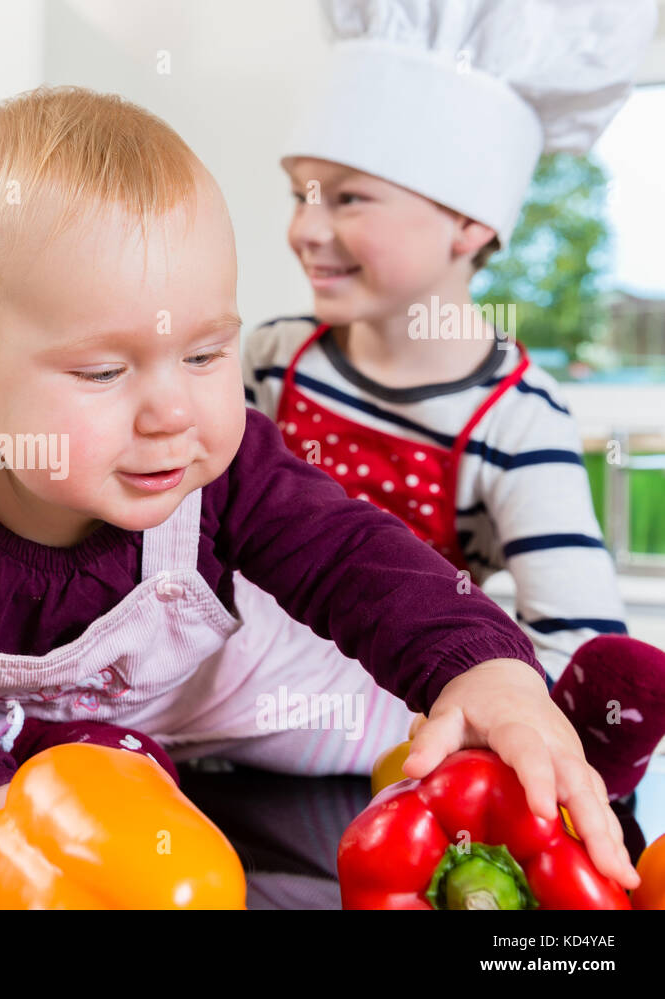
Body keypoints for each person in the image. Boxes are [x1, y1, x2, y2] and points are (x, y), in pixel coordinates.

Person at [0, 85, 638, 890]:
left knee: (410, 727)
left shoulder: (228, 466)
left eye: (205, 355)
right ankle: (83, 761)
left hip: (221, 697)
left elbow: (352, 555)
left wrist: (483, 672)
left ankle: (564, 732)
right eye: (102, 370)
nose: (174, 411)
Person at [244, 0, 665, 803]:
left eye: (348, 198)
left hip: (405, 707)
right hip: (241, 678)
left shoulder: (518, 416)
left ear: (469, 222)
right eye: (301, 194)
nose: (304, 227)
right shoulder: (271, 357)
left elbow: (577, 635)